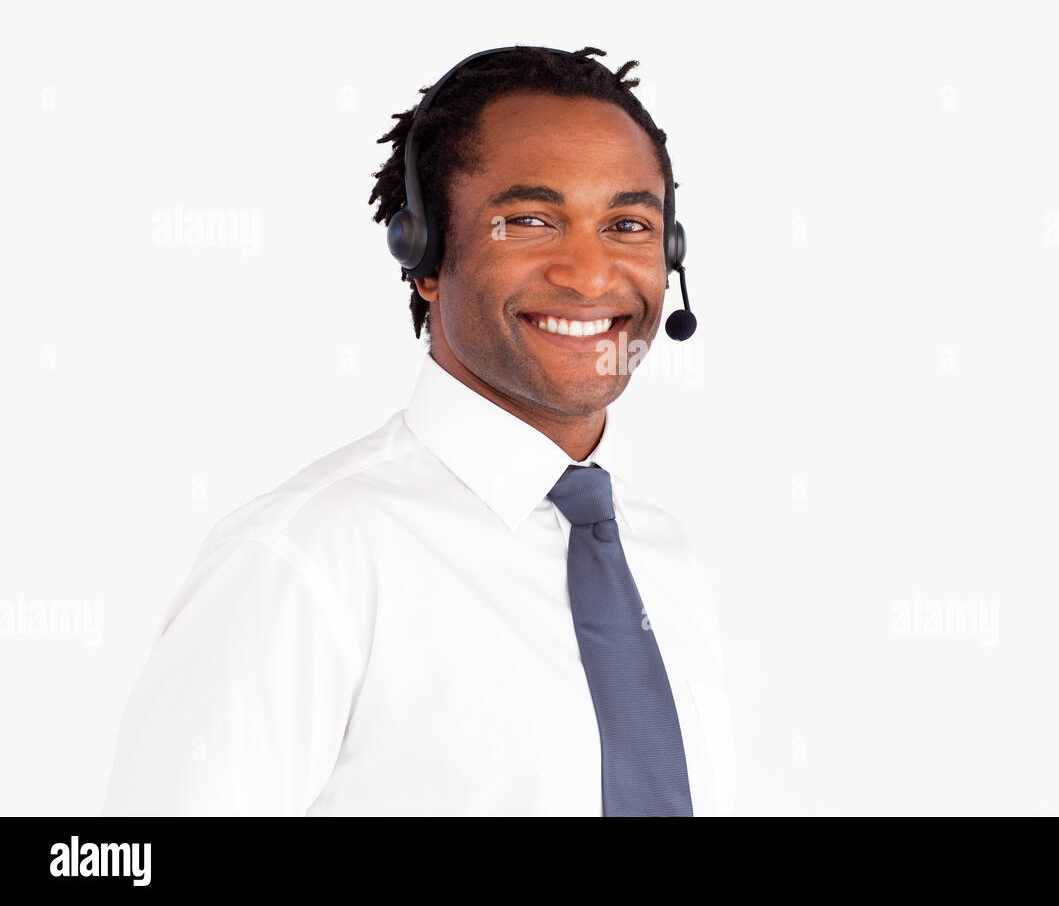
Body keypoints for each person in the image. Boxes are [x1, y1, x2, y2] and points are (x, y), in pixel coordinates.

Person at [102, 44, 736, 816]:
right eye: (529, 220)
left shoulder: (662, 558)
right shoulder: (308, 561)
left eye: (629, 223)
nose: (591, 273)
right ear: (425, 254)